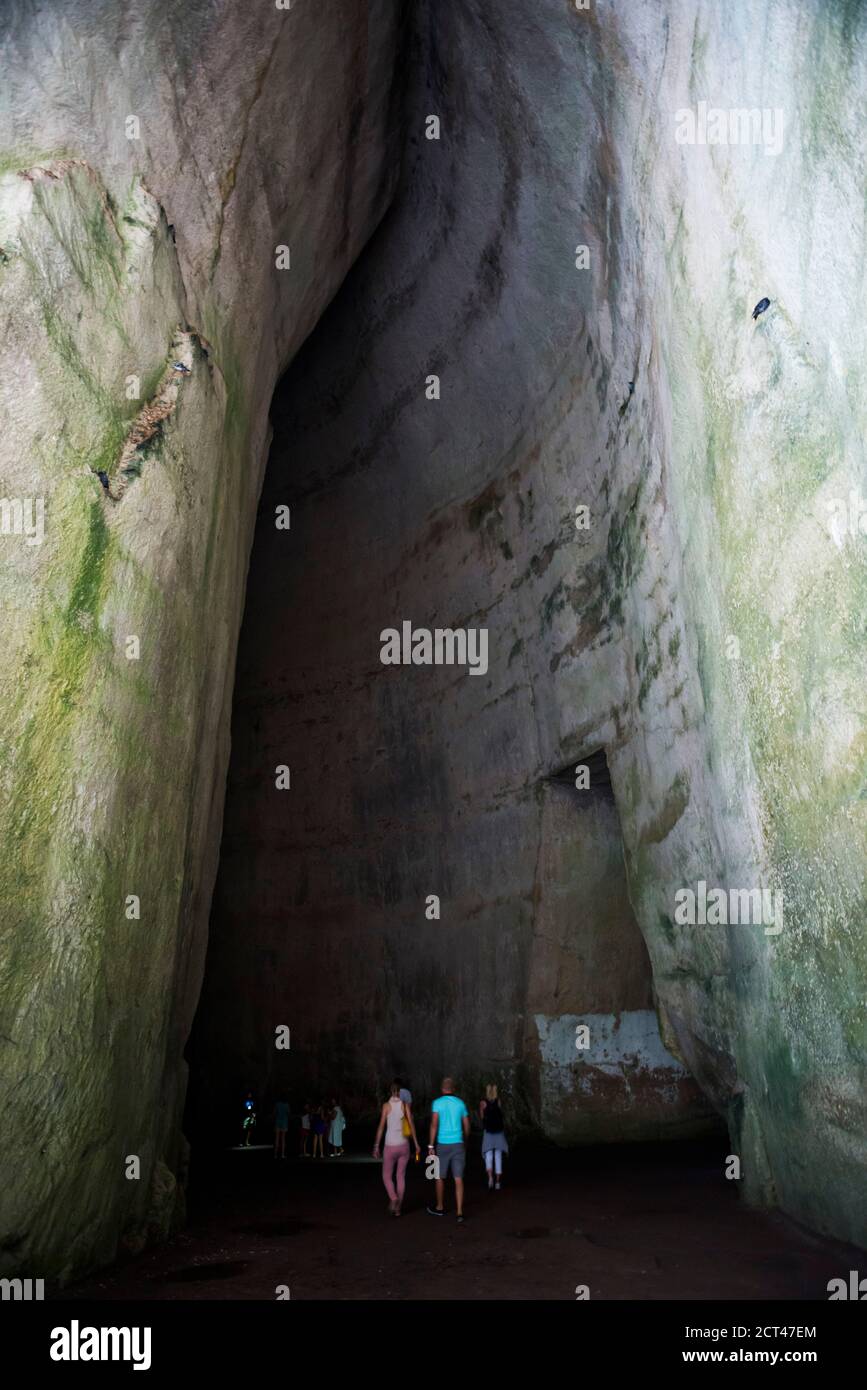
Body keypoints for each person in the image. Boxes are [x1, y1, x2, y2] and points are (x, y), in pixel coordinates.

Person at [373, 1081, 420, 1216]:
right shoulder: (405, 1106)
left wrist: (376, 1146)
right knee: (400, 1176)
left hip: (390, 1146)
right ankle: (398, 1209)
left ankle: (393, 1198)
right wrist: (416, 1144)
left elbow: (381, 1127)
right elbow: (411, 1126)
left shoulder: (386, 1106)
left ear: (390, 1092)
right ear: (400, 1092)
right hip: (404, 1145)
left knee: (386, 1176)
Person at [427, 1077, 470, 1223]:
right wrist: (465, 1140)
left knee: (439, 1177)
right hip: (458, 1143)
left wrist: (431, 1145)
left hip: (442, 1144)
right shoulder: (460, 1103)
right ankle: (459, 1212)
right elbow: (467, 1125)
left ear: (442, 1089)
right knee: (458, 1179)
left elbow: (434, 1124)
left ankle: (440, 1207)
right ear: (454, 1088)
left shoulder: (437, 1103)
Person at [479, 1083, 509, 1190]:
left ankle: (490, 1178)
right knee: (498, 1156)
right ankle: (497, 1182)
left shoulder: (483, 1103)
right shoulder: (499, 1101)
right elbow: (501, 1114)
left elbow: (482, 1117)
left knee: (488, 1156)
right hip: (499, 1132)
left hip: (488, 1132)